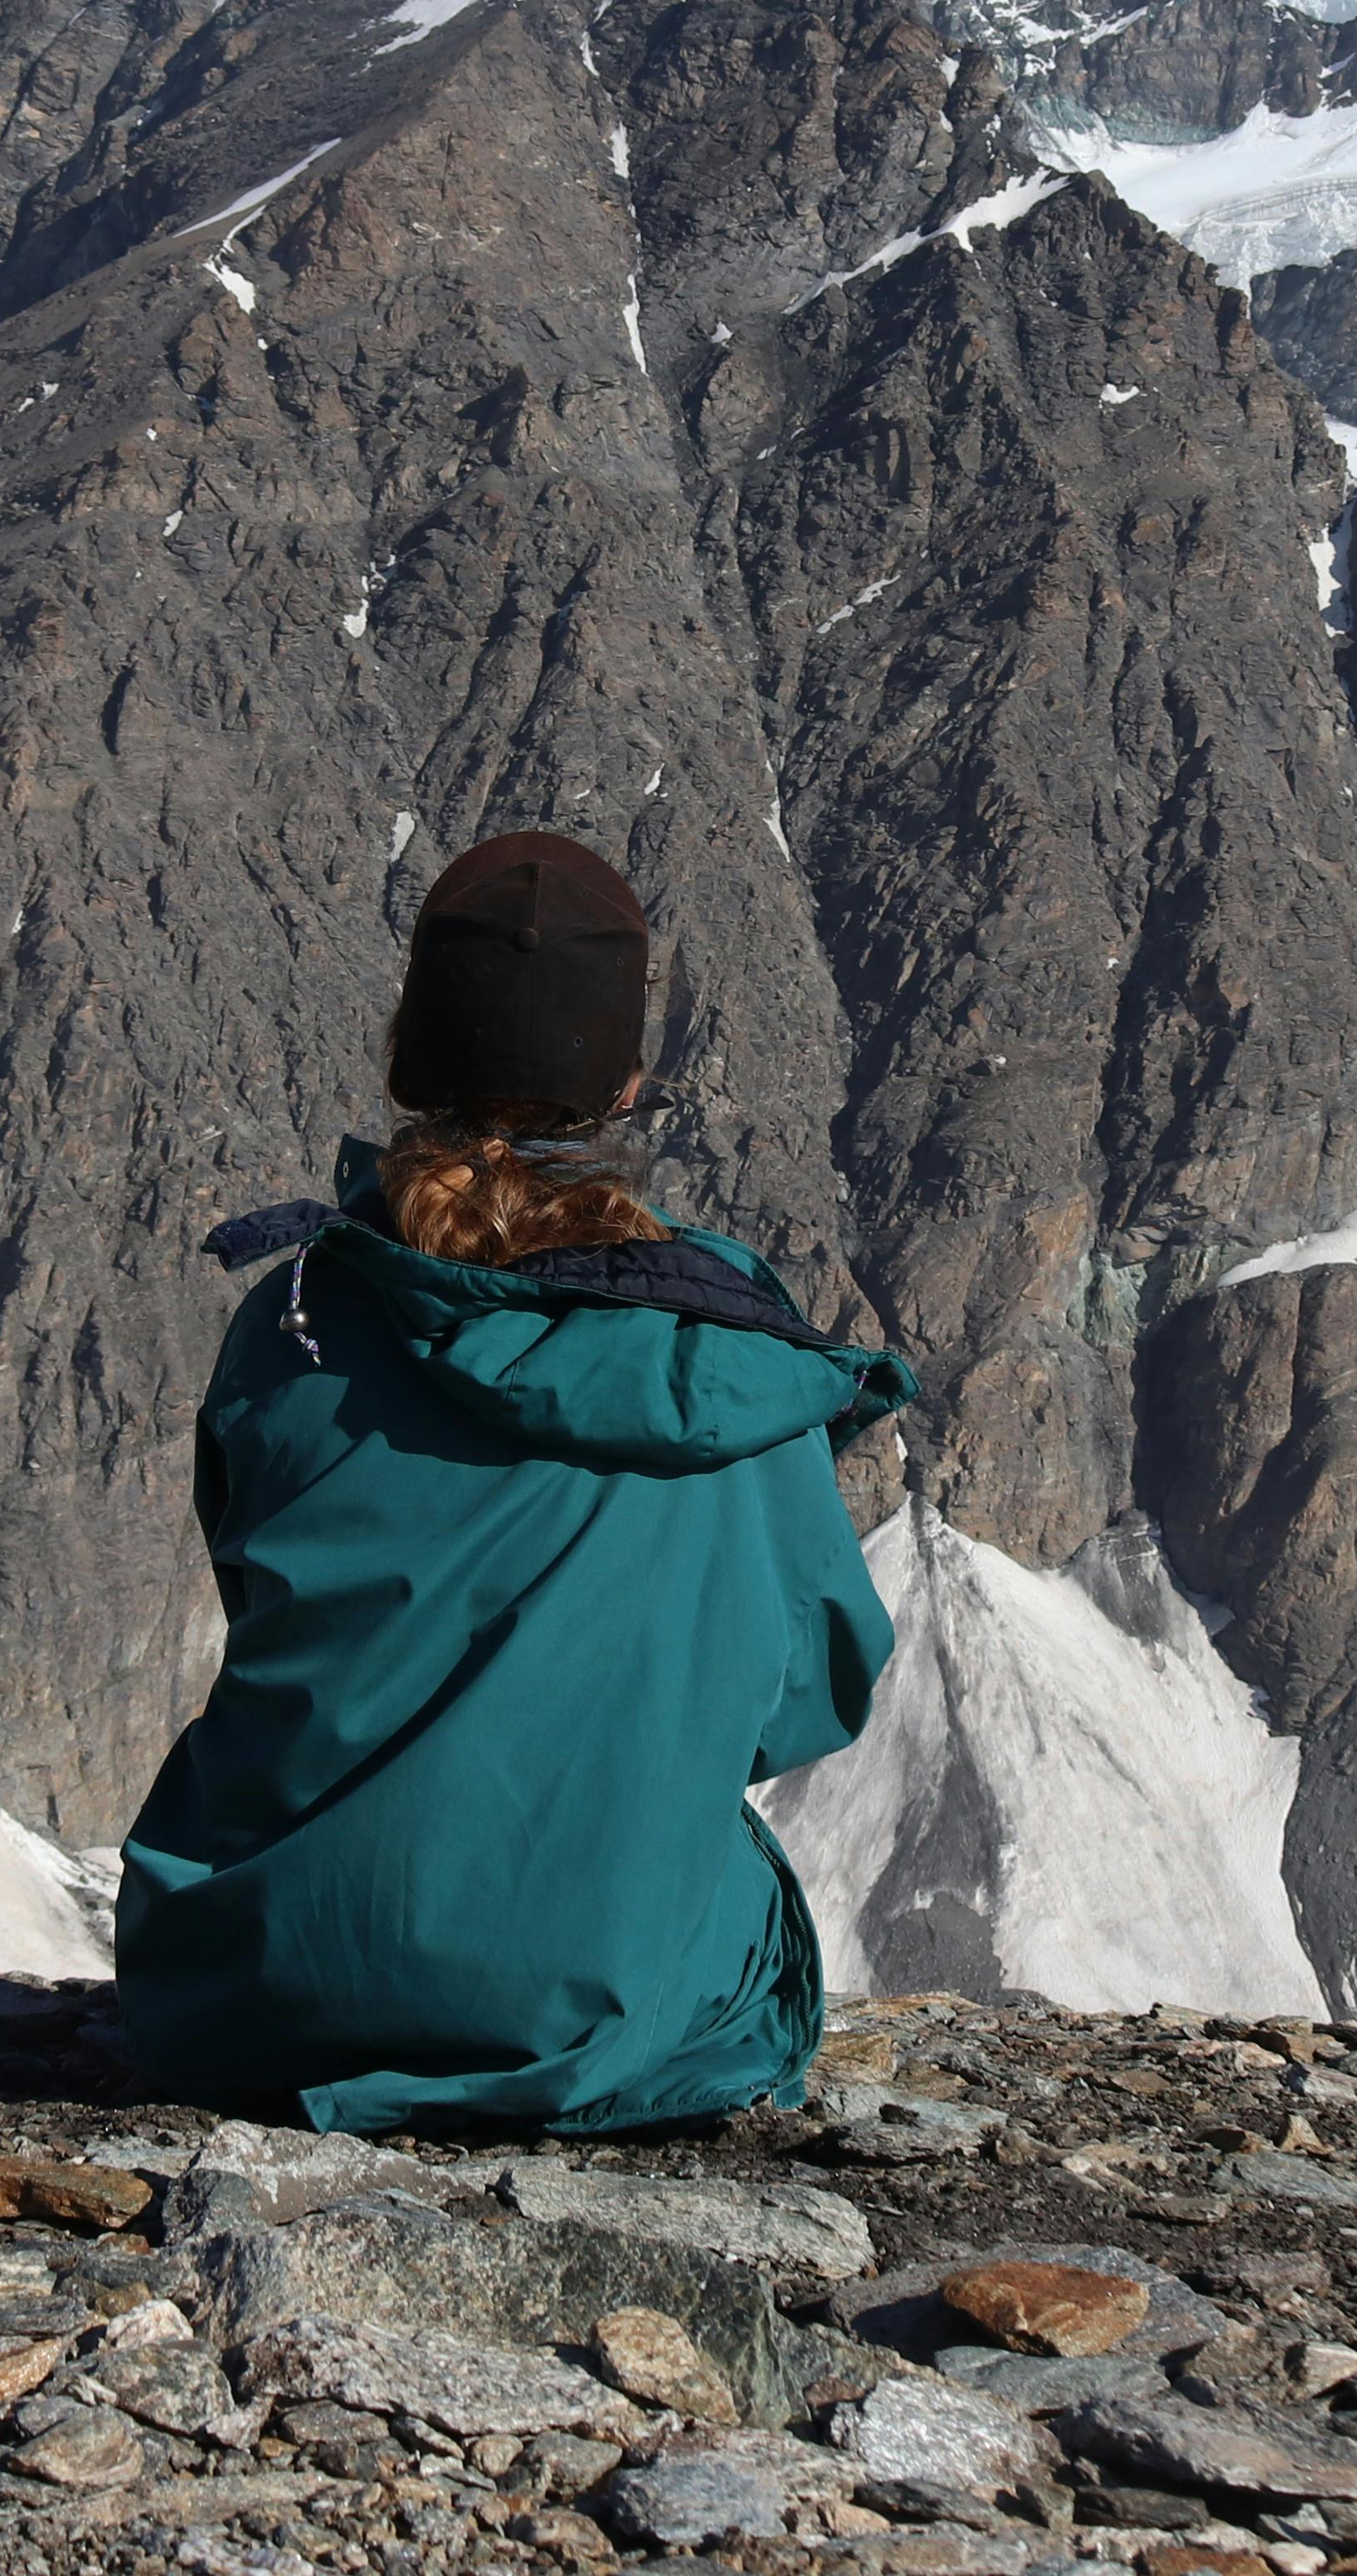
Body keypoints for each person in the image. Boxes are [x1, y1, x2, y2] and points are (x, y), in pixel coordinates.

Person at [113, 830, 911, 2134]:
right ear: (630, 1086)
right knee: (730, 1893)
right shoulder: (731, 1358)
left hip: (258, 2001)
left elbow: (267, 1608)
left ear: (405, 1059)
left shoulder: (298, 1318)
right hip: (595, 2025)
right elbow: (809, 1694)